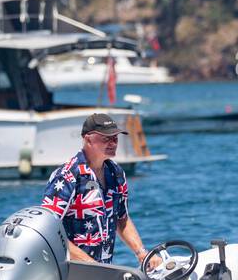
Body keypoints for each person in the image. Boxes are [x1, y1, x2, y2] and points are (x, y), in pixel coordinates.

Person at [40, 113, 154, 267]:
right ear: (88, 139)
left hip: (100, 271)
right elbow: (48, 228)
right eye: (106, 138)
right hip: (69, 272)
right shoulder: (67, 176)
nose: (113, 143)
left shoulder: (116, 173)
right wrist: (91, 265)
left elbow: (121, 219)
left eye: (115, 138)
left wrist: (142, 254)